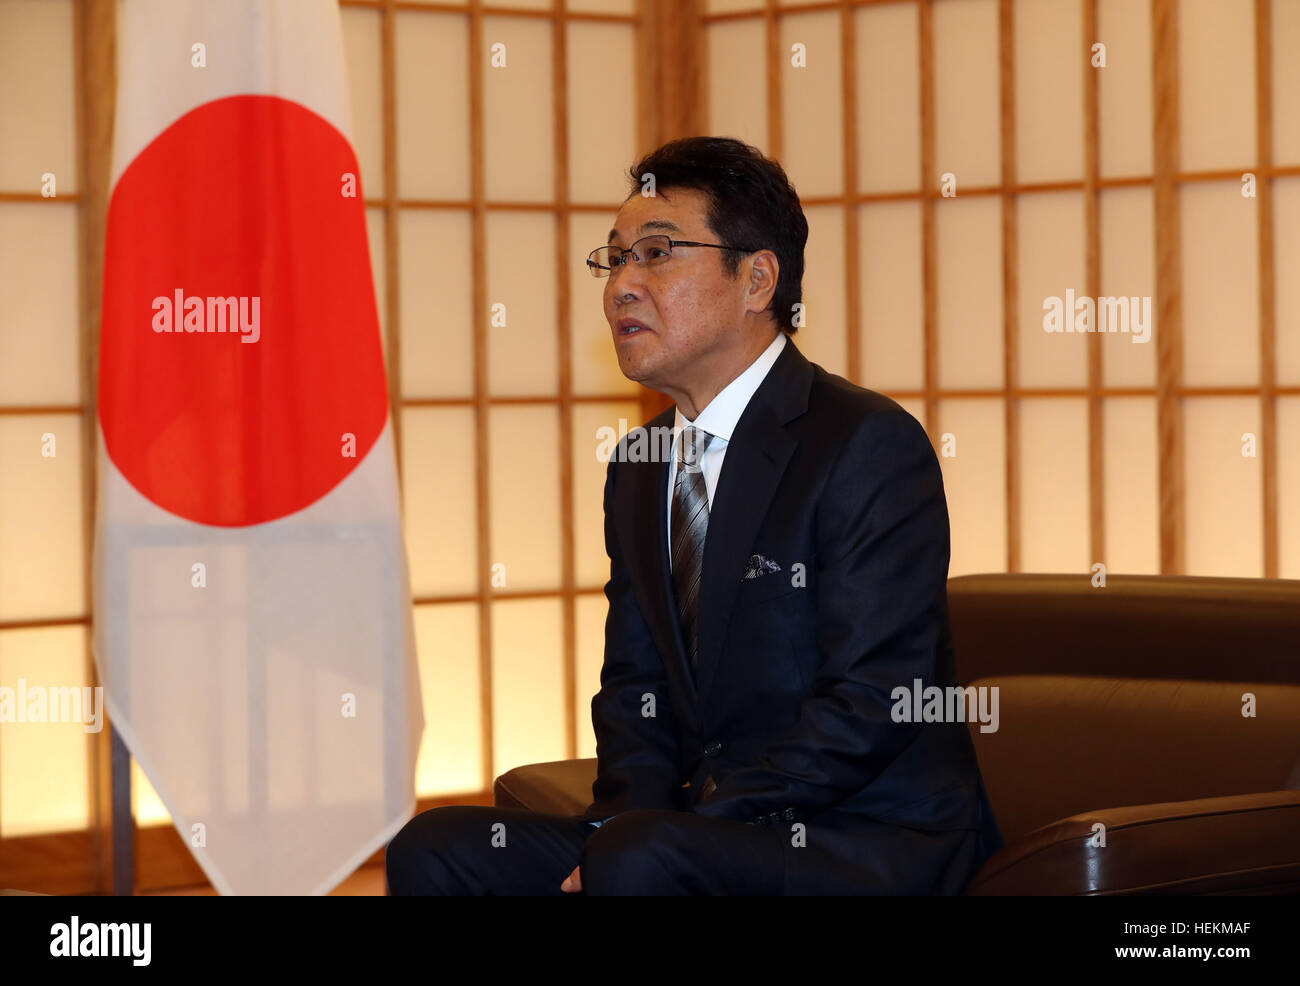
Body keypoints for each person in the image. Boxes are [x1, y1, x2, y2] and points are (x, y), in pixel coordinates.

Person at [384, 135, 1002, 895]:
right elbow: (632, 687)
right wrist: (623, 823)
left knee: (640, 859)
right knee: (437, 847)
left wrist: (680, 830)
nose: (621, 287)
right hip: (699, 834)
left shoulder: (865, 444)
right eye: (613, 259)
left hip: (866, 836)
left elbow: (873, 705)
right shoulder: (640, 466)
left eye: (656, 252)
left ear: (757, 279)